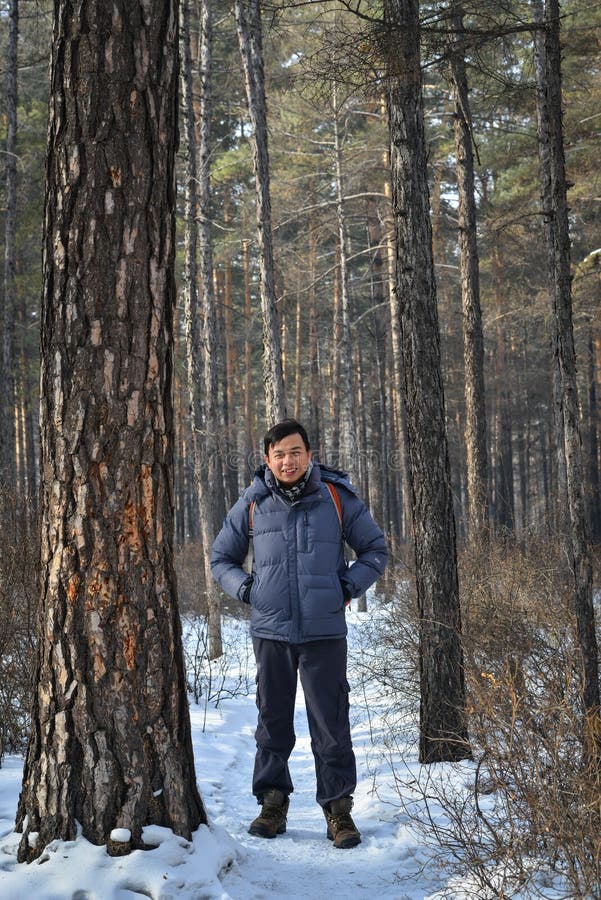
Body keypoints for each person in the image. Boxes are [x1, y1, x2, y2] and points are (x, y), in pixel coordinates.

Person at [210, 419, 387, 849]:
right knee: (272, 720)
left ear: (309, 455)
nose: (287, 461)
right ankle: (272, 805)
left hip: (324, 631)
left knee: (330, 722)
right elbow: (221, 559)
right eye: (279, 455)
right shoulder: (253, 501)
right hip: (271, 631)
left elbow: (375, 550)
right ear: (267, 459)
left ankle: (338, 811)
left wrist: (346, 588)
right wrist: (248, 590)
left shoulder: (335, 497)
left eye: (295, 452)